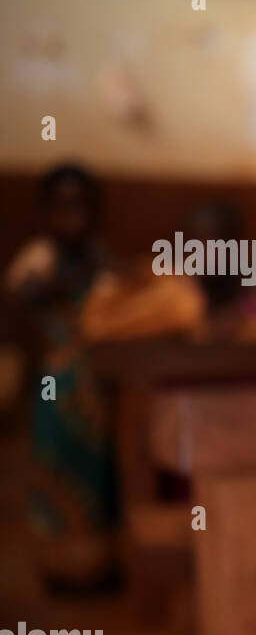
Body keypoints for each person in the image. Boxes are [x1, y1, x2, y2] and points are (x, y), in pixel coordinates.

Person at [4, 164, 118, 587]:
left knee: (96, 477)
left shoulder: (100, 258)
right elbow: (19, 312)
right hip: (53, 386)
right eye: (64, 206)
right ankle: (59, 567)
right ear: (46, 211)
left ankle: (96, 565)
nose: (75, 216)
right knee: (55, 468)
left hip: (96, 392)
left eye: (83, 206)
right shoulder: (39, 258)